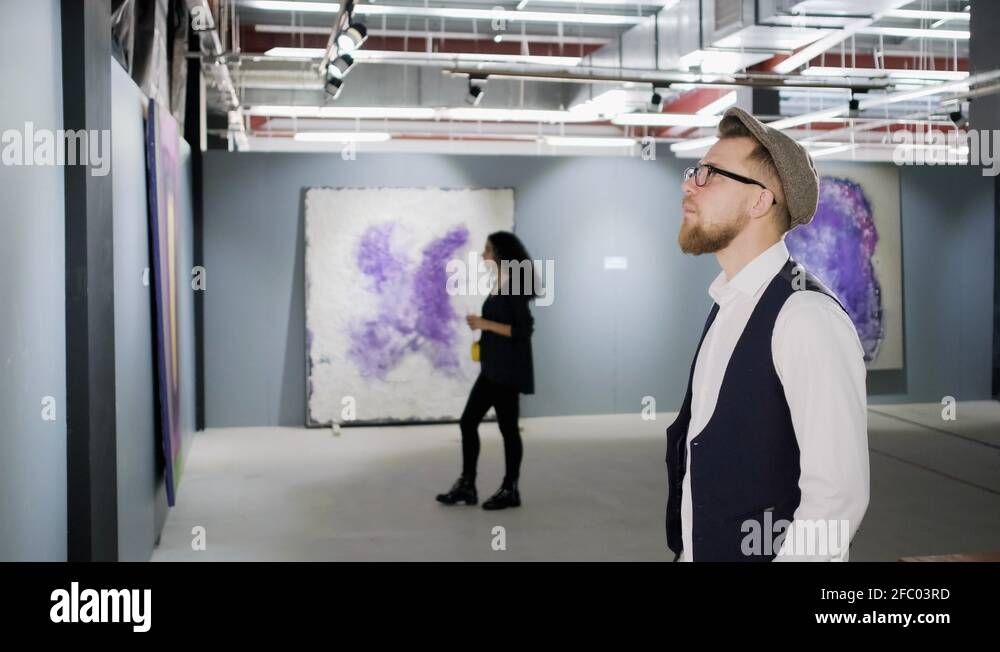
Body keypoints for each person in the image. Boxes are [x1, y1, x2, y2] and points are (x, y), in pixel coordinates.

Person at [665, 107, 870, 561]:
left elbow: (835, 501)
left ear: (759, 201)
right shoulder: (729, 303)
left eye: (709, 175)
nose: (688, 184)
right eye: (693, 171)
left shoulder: (805, 317)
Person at [436, 231, 538, 511]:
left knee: (507, 430)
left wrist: (485, 324)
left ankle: (510, 488)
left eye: (488, 250)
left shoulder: (515, 284)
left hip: (506, 372)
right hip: (492, 369)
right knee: (468, 422)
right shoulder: (501, 282)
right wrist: (483, 328)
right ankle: (468, 484)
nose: (483, 256)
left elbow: (523, 329)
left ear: (501, 254)